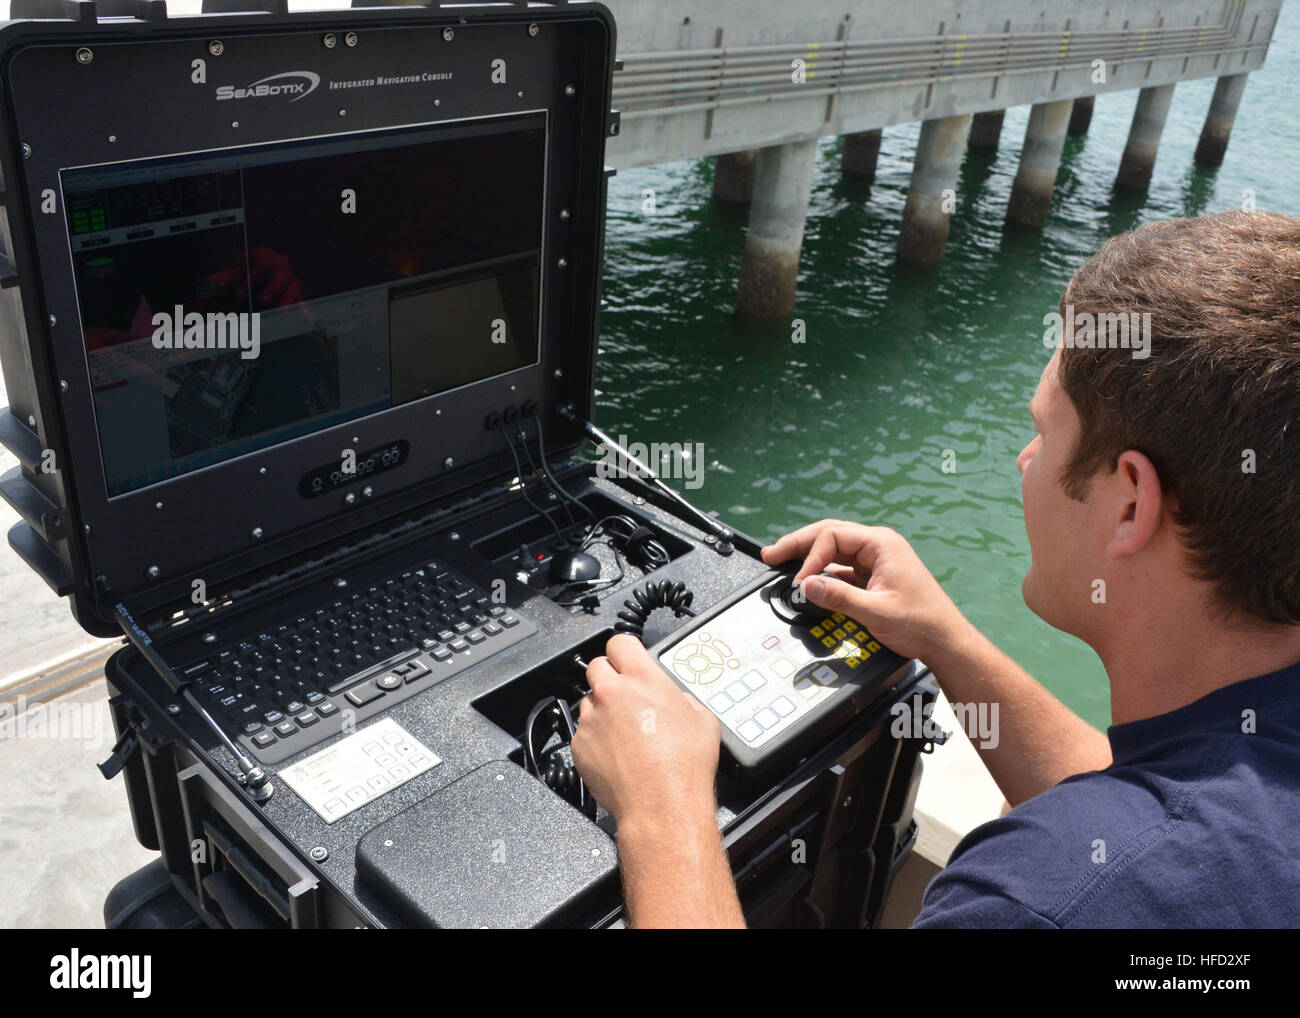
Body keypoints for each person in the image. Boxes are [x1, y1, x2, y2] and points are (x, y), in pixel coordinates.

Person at [569, 210, 1300, 929]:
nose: (1024, 461)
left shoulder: (1039, 898)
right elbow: (1160, 804)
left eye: (1043, 433)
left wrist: (660, 811)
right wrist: (945, 641)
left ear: (1130, 504)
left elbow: (1120, 863)